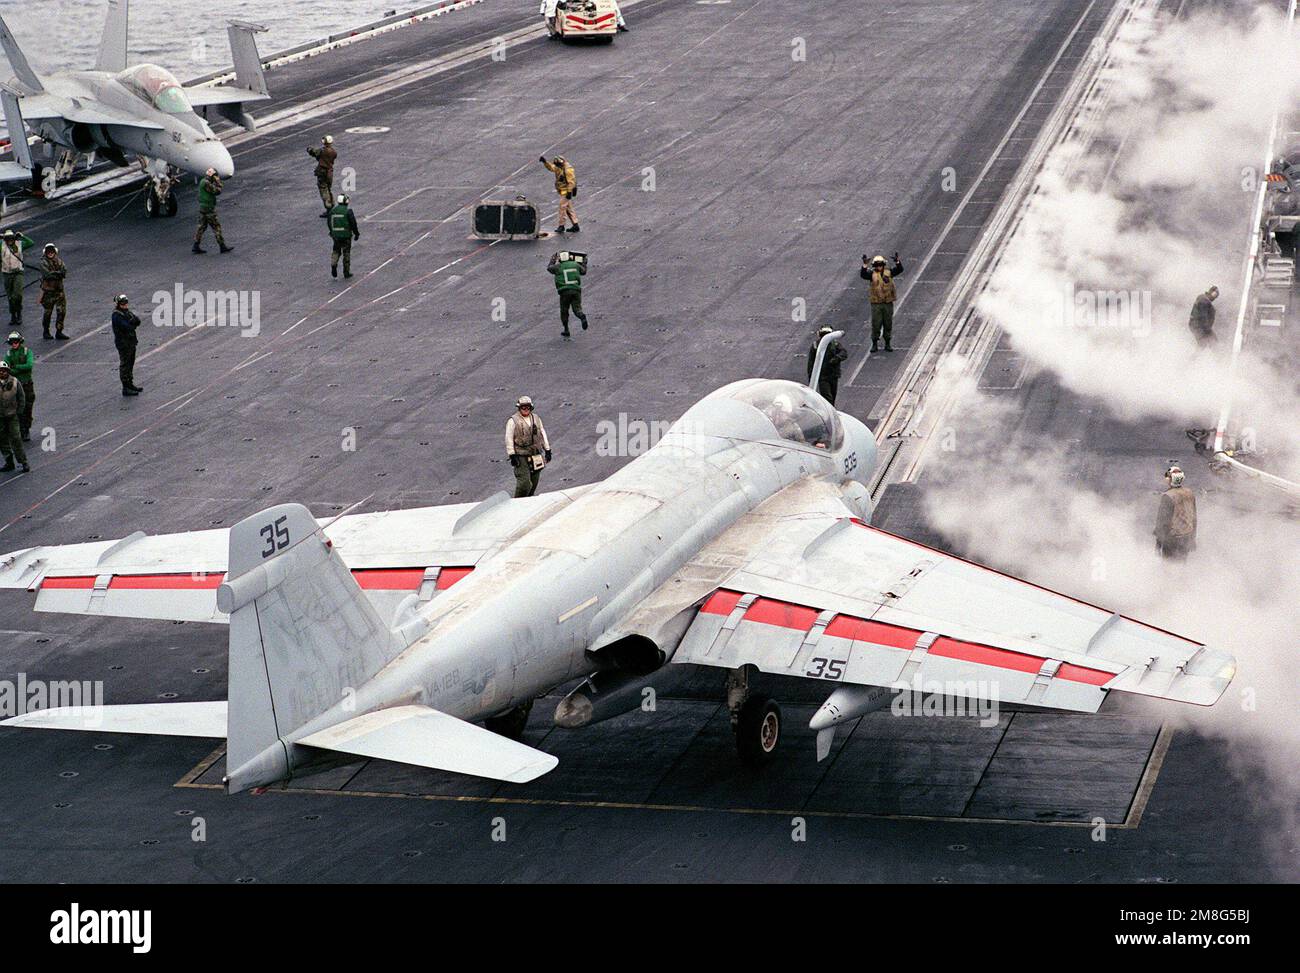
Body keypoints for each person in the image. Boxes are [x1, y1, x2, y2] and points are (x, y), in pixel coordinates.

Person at [505, 395, 551, 498]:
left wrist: (547, 450)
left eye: (528, 407)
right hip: (521, 455)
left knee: (534, 483)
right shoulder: (513, 421)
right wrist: (512, 455)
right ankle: (517, 503)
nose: (526, 409)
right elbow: (508, 438)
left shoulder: (536, 419)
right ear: (519, 408)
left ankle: (528, 502)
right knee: (525, 484)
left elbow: (542, 433)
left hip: (536, 454)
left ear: (531, 408)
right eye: (523, 407)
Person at [860, 252, 905, 352]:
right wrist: (864, 265)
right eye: (877, 265)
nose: (879, 267)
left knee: (888, 323)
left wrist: (897, 261)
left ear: (883, 265)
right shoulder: (871, 274)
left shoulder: (889, 273)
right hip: (876, 304)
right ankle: (874, 343)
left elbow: (900, 269)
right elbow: (863, 275)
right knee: (876, 324)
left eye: (880, 265)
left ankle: (887, 343)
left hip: (888, 303)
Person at [1154, 465, 1196, 560]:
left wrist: (1159, 542)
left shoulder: (1168, 496)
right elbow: (1194, 518)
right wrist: (1192, 539)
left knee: (1169, 567)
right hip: (1186, 537)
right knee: (1181, 564)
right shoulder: (1189, 493)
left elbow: (1163, 522)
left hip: (1171, 540)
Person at [547, 250, 588, 338]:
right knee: (577, 308)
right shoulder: (575, 264)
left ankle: (566, 329)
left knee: (564, 311)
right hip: (576, 290)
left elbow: (549, 268)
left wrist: (552, 260)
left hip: (564, 291)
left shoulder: (558, 267)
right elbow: (584, 272)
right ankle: (581, 316)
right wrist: (584, 263)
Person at [193, 168, 233, 255]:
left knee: (201, 227)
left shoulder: (203, 181)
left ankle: (196, 245)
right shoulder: (207, 183)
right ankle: (222, 246)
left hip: (203, 208)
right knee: (216, 227)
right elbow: (217, 191)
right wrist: (218, 182)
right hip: (209, 209)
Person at [1, 228, 35, 329]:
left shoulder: (19, 244)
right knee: (10, 297)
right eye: (7, 238)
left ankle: (19, 312)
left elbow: (31, 243)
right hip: (7, 273)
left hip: (18, 273)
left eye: (11, 238)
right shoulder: (1, 245)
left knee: (17, 295)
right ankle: (13, 315)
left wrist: (22, 236)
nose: (9, 240)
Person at [806, 326, 848, 404]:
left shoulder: (835, 344)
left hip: (833, 375)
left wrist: (836, 358)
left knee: (833, 395)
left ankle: (831, 411)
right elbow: (811, 363)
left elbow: (844, 353)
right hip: (822, 376)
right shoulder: (815, 346)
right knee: (827, 397)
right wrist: (811, 377)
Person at [4, 332, 35, 441]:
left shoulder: (27, 352)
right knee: (12, 407)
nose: (14, 344)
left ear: (20, 342)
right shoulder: (8, 354)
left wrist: (15, 367)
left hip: (26, 385)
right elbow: (6, 369)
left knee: (27, 407)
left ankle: (26, 429)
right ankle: (14, 430)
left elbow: (29, 365)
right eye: (12, 342)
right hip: (14, 385)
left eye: (16, 342)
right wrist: (16, 370)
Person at [0, 359, 28, 473]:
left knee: (16, 439)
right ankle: (9, 462)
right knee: (2, 440)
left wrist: (19, 412)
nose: (2, 373)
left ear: (8, 371)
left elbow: (21, 397)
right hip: (0, 417)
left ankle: (23, 462)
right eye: (0, 371)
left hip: (12, 416)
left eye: (4, 371)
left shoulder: (15, 382)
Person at [111, 294, 143, 396]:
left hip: (130, 341)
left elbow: (137, 321)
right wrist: (132, 323)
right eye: (122, 303)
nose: (125, 305)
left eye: (125, 303)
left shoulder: (126, 312)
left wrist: (132, 322)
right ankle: (125, 387)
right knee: (125, 364)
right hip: (123, 343)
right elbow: (127, 327)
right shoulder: (117, 315)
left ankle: (130, 383)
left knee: (131, 363)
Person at [539, 154, 579, 233]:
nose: (556, 166)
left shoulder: (567, 170)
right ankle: (575, 225)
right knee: (568, 209)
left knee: (562, 207)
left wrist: (569, 192)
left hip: (566, 191)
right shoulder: (559, 167)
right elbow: (552, 168)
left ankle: (561, 225)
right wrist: (545, 162)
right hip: (562, 190)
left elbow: (571, 182)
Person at [39, 243, 69, 340]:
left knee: (61, 312)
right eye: (48, 251)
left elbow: (64, 271)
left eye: (52, 251)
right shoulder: (43, 262)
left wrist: (57, 274)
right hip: (48, 292)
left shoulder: (58, 261)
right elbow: (47, 275)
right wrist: (58, 273)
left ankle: (59, 331)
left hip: (59, 291)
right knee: (48, 313)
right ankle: (46, 331)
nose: (50, 253)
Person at [327, 194, 361, 278]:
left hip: (336, 236)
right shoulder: (348, 211)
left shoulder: (332, 211)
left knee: (336, 250)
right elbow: (353, 224)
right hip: (346, 236)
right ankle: (346, 272)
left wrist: (332, 232)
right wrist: (356, 233)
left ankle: (333, 263)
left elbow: (329, 223)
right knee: (346, 253)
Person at [308, 135, 338, 217]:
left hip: (322, 172)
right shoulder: (334, 152)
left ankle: (329, 208)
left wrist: (309, 149)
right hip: (330, 173)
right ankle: (332, 205)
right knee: (328, 188)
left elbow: (314, 153)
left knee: (323, 189)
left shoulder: (322, 151)